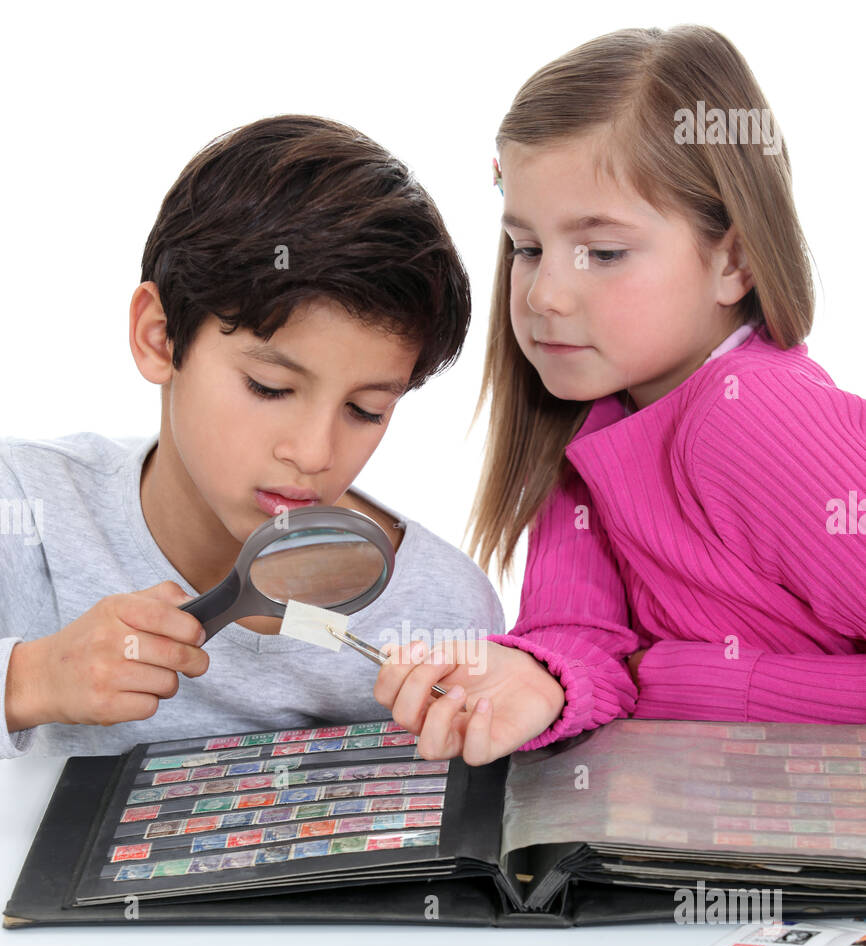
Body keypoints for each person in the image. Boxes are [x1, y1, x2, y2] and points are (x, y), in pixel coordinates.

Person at [374, 25, 866, 765]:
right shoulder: (594, 422)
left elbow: (649, 677)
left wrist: (705, 683)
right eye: (528, 247)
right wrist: (538, 677)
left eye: (602, 253)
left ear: (733, 260)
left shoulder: (757, 422)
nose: (544, 294)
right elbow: (586, 641)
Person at [0, 115, 503, 758]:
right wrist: (31, 679)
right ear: (160, 337)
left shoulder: (443, 610)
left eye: (366, 410)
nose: (314, 454)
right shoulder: (30, 510)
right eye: (270, 388)